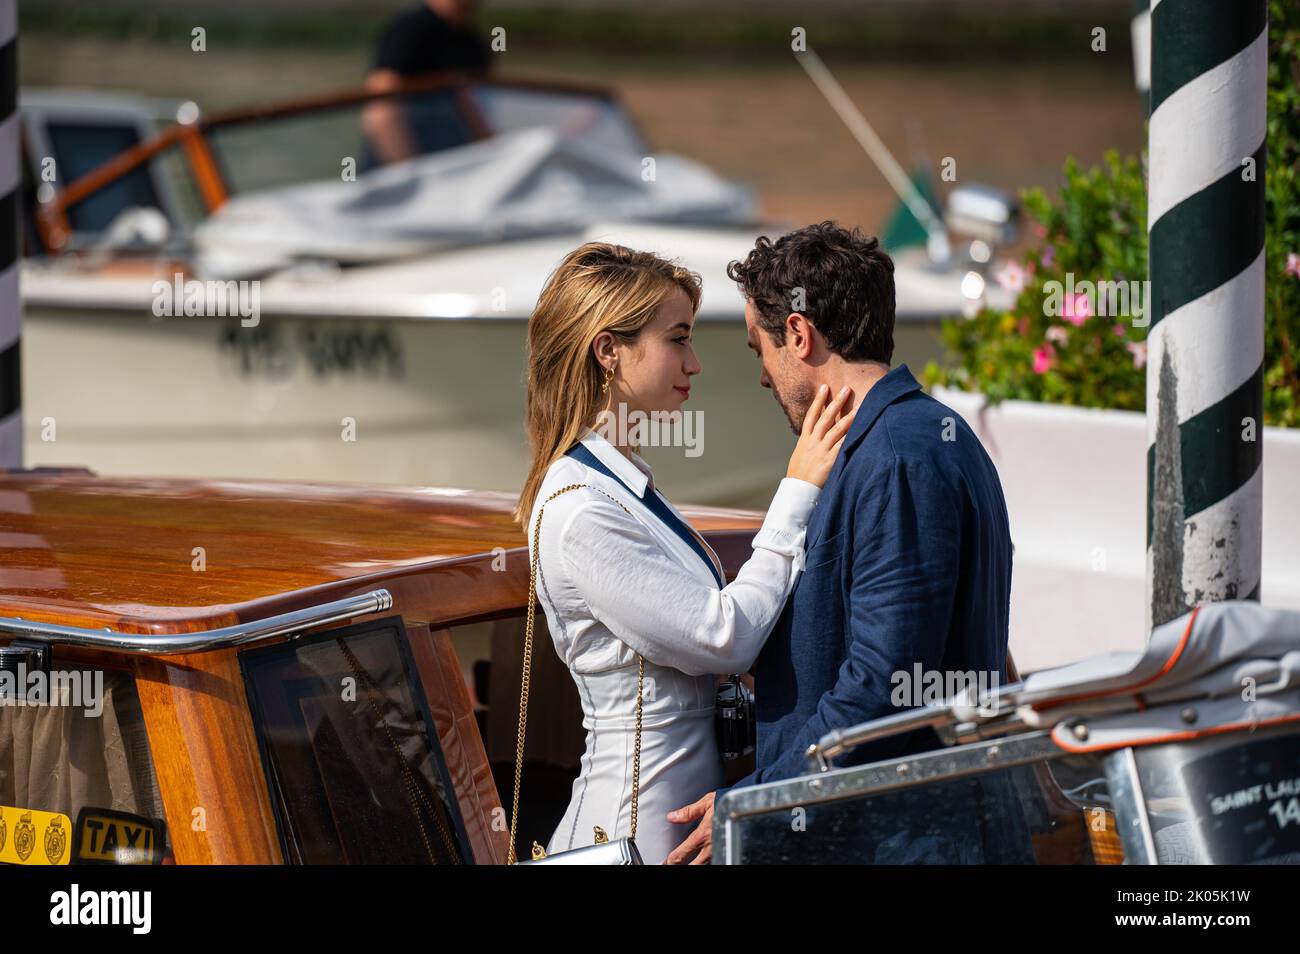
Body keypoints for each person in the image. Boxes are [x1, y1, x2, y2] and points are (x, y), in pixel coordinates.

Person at [665, 221, 1032, 864]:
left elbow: (883, 687)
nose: (762, 377)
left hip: (901, 844)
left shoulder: (895, 458)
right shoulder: (929, 436)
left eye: (759, 349)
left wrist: (755, 804)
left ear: (798, 334)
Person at [515, 242, 856, 865]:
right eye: (678, 339)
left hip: (669, 826)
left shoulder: (619, 486)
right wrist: (798, 489)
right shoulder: (581, 509)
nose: (694, 363)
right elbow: (724, 637)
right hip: (629, 839)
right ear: (608, 351)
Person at [362, 0, 491, 165]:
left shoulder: (473, 40)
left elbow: (472, 107)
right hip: (407, 172)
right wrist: (411, 173)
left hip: (459, 166)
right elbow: (381, 112)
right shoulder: (410, 29)